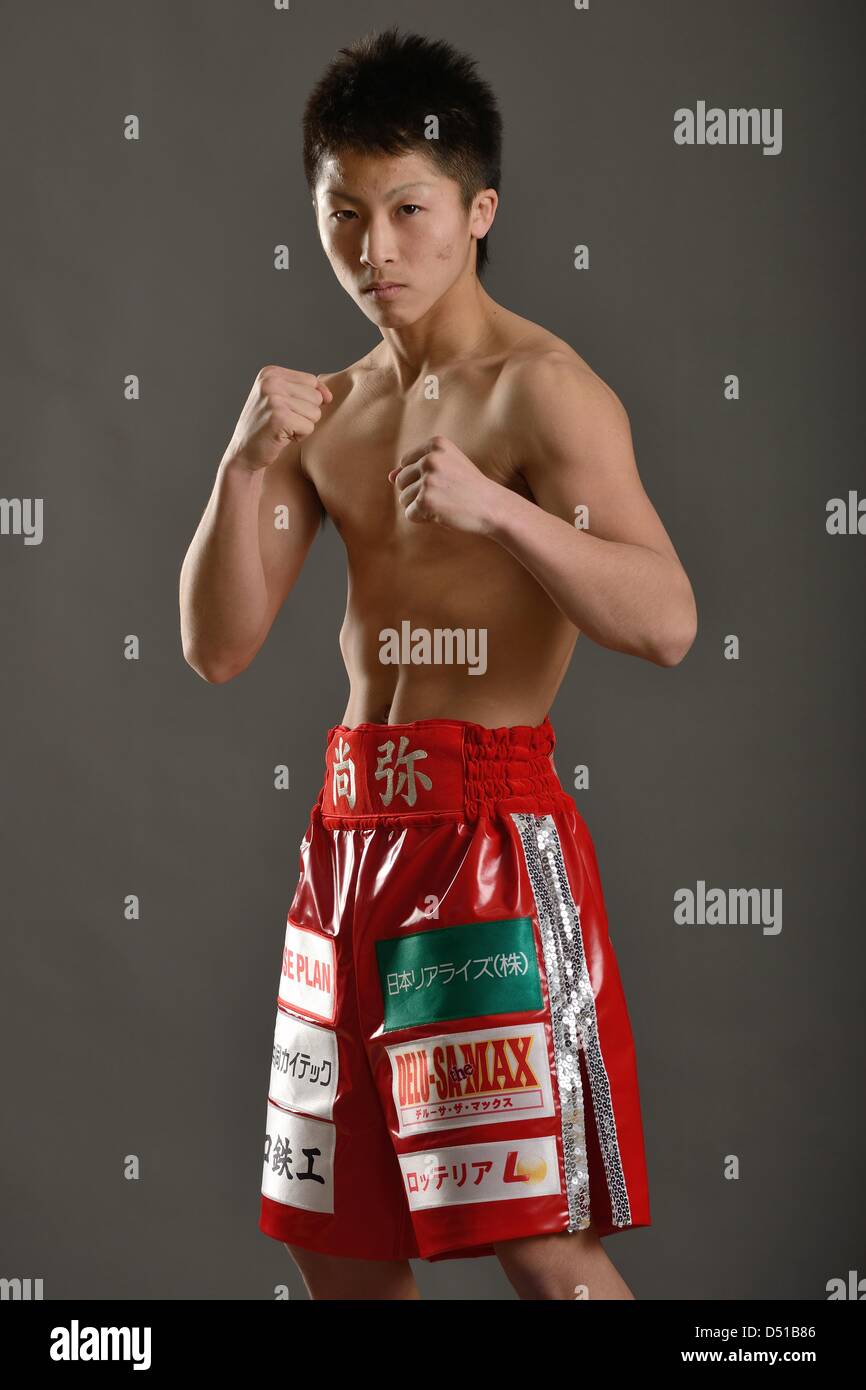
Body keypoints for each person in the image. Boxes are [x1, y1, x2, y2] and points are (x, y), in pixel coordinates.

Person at [179, 25, 697, 1301]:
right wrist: (241, 467)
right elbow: (219, 648)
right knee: (333, 1237)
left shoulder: (543, 392)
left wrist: (505, 514)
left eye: (407, 209)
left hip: (485, 829)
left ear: (477, 211)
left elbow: (669, 618)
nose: (373, 248)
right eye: (343, 213)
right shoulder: (332, 412)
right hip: (349, 831)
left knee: (532, 1233)